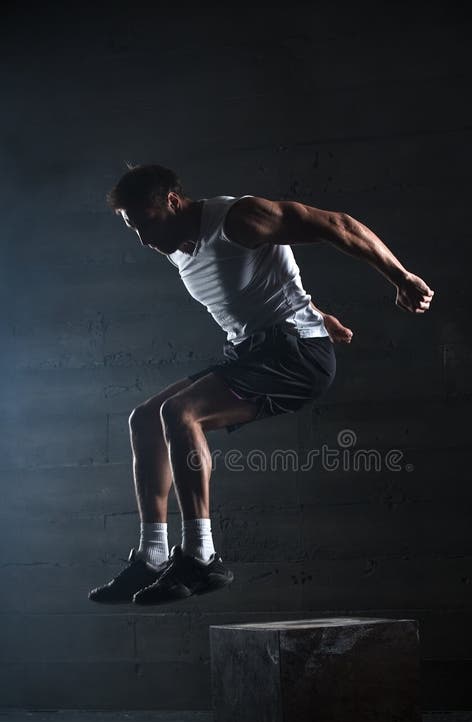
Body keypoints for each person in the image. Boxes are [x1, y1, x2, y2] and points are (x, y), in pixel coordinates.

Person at [89, 164, 434, 606]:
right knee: (144, 421)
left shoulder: (238, 219)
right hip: (254, 352)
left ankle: (201, 556)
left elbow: (337, 225)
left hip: (296, 356)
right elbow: (264, 285)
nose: (143, 240)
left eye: (147, 224)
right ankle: (153, 553)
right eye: (133, 229)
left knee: (180, 414)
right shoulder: (176, 246)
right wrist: (314, 310)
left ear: (173, 202)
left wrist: (401, 277)